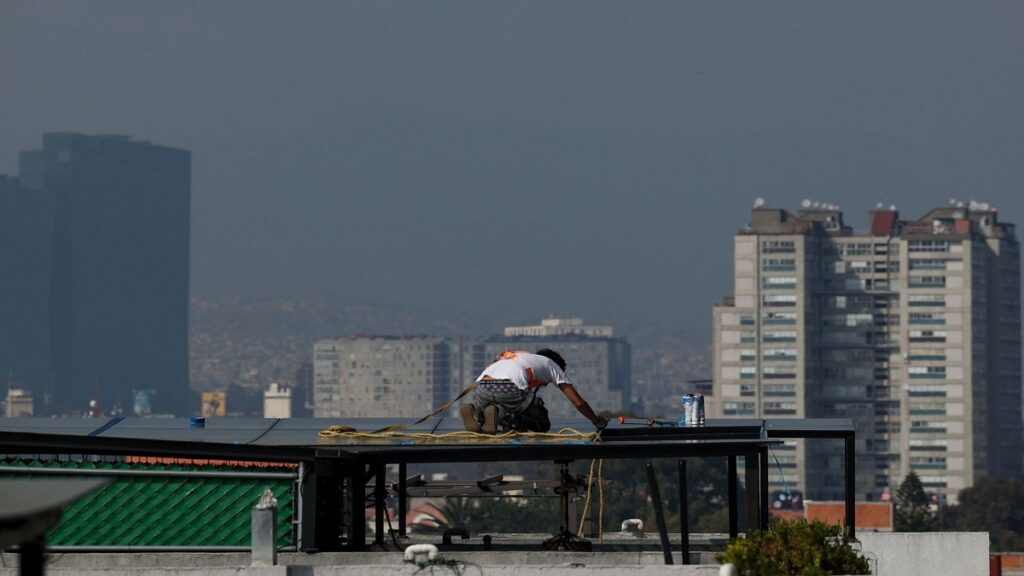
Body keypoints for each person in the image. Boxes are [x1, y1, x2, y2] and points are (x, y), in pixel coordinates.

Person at [459, 348, 608, 434]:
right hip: (509, 390)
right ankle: (500, 414)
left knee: (497, 402)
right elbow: (578, 402)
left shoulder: (515, 355)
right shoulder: (552, 366)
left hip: (482, 386)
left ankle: (477, 412)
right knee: (541, 423)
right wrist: (596, 420)